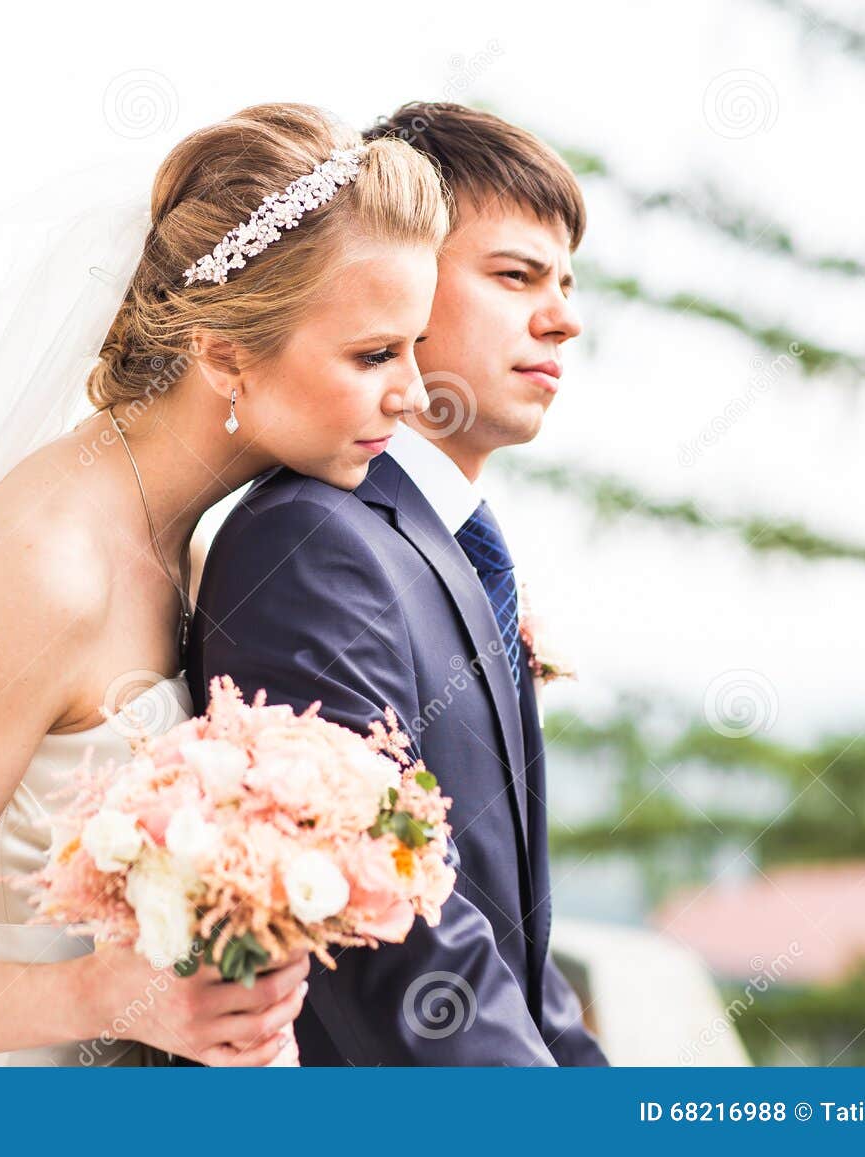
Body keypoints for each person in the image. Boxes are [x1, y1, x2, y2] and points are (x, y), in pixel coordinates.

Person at [0, 102, 449, 1066]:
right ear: (224, 355)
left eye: (414, 346)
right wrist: (115, 996)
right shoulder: (42, 570)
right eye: (373, 354)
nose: (413, 392)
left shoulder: (201, 540)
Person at [187, 101, 608, 1065]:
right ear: (403, 281)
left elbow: (519, 945)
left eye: (568, 282)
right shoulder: (308, 543)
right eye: (516, 275)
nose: (564, 317)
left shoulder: (450, 544)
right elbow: (394, 945)